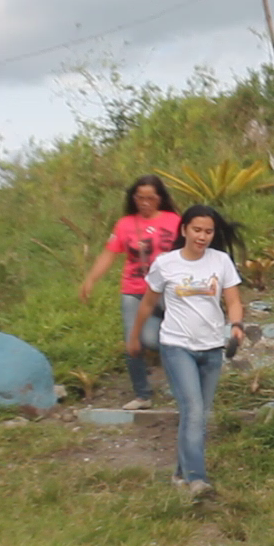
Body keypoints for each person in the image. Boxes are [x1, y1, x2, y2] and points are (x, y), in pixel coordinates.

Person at [127, 204, 245, 500]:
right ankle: (197, 480)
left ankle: (180, 473)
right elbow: (147, 303)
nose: (202, 236)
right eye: (197, 230)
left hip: (211, 348)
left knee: (199, 414)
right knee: (193, 409)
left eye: (208, 231)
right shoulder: (166, 264)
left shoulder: (221, 261)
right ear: (184, 230)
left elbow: (233, 300)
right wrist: (135, 337)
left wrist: (236, 325)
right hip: (177, 345)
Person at [80, 175, 181, 410]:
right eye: (140, 198)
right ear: (133, 198)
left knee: (164, 338)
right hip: (134, 290)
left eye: (150, 198)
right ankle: (142, 394)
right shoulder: (125, 224)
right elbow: (108, 253)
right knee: (133, 342)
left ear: (160, 198)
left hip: (168, 290)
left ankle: (182, 387)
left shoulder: (174, 220)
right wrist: (91, 279)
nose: (145, 203)